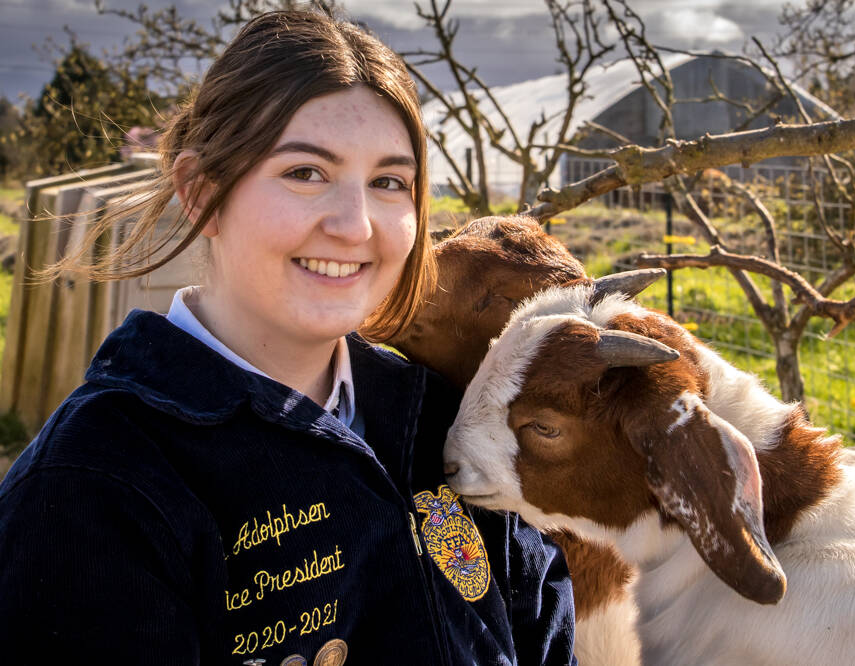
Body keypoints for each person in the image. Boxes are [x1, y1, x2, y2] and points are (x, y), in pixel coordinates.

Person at [0, 10, 576, 665]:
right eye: (305, 172)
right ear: (201, 192)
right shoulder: (93, 487)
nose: (355, 225)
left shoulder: (438, 418)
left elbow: (545, 632)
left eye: (389, 182)